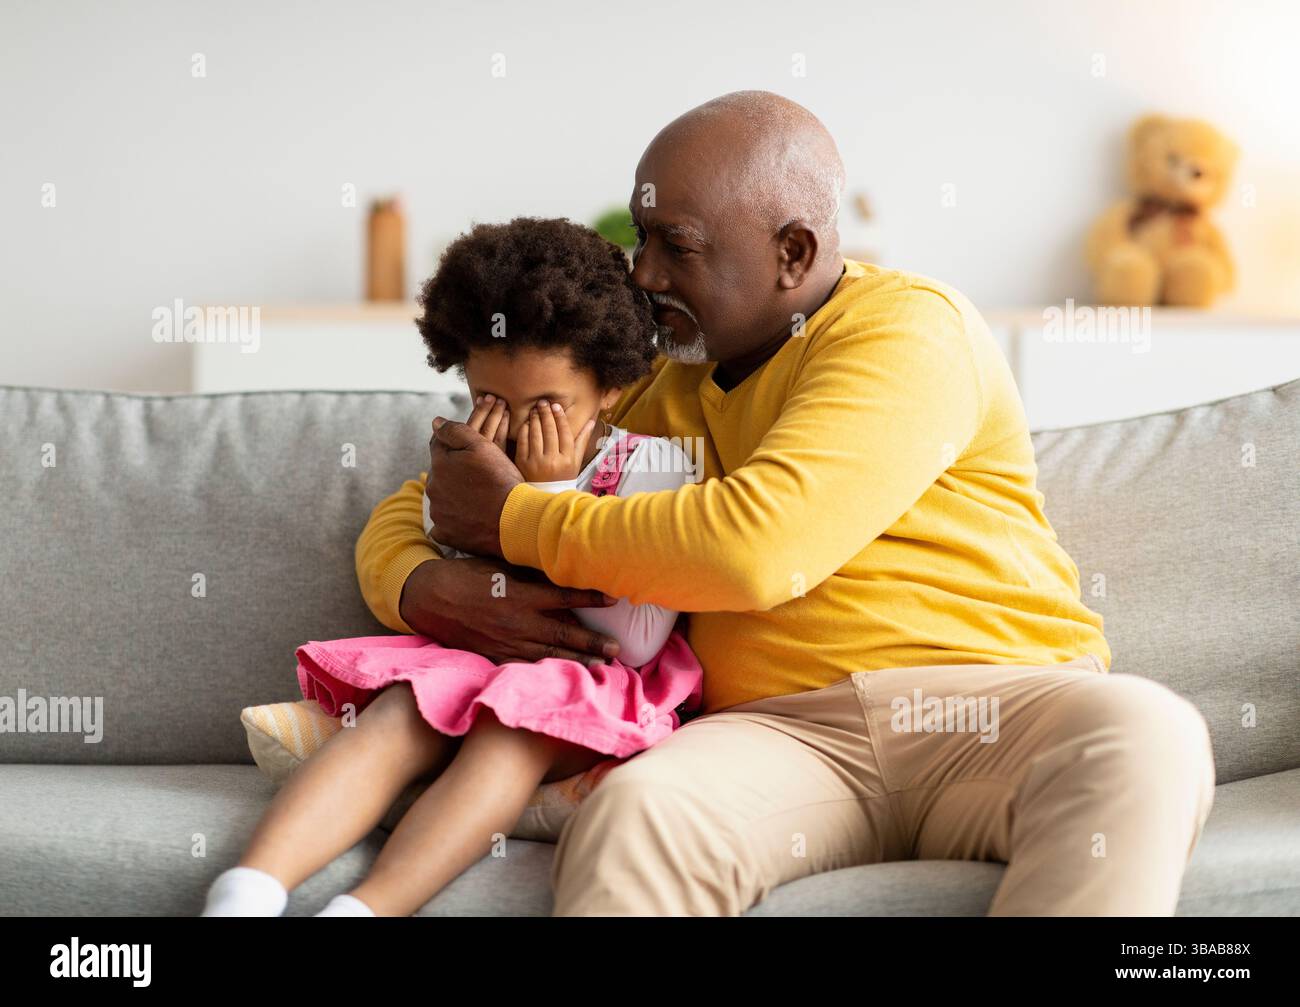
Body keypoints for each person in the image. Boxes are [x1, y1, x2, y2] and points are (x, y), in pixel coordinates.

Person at [357, 91, 1217, 916]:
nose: (644, 271)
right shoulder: (657, 376)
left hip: (993, 705)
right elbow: (434, 493)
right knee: (641, 811)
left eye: (675, 245)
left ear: (793, 254)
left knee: (1148, 734)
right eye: (641, 235)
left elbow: (757, 548)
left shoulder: (908, 331)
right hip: (776, 739)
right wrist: (418, 587)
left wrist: (515, 523)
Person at [201, 218, 702, 917]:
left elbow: (636, 638)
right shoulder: (468, 459)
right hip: (473, 658)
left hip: (588, 680)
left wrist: (546, 498)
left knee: (510, 734)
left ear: (613, 387)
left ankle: (363, 910)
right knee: (400, 714)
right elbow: (440, 548)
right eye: (492, 402)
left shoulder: (655, 465)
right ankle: (245, 891)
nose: (522, 429)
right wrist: (480, 491)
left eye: (550, 407)